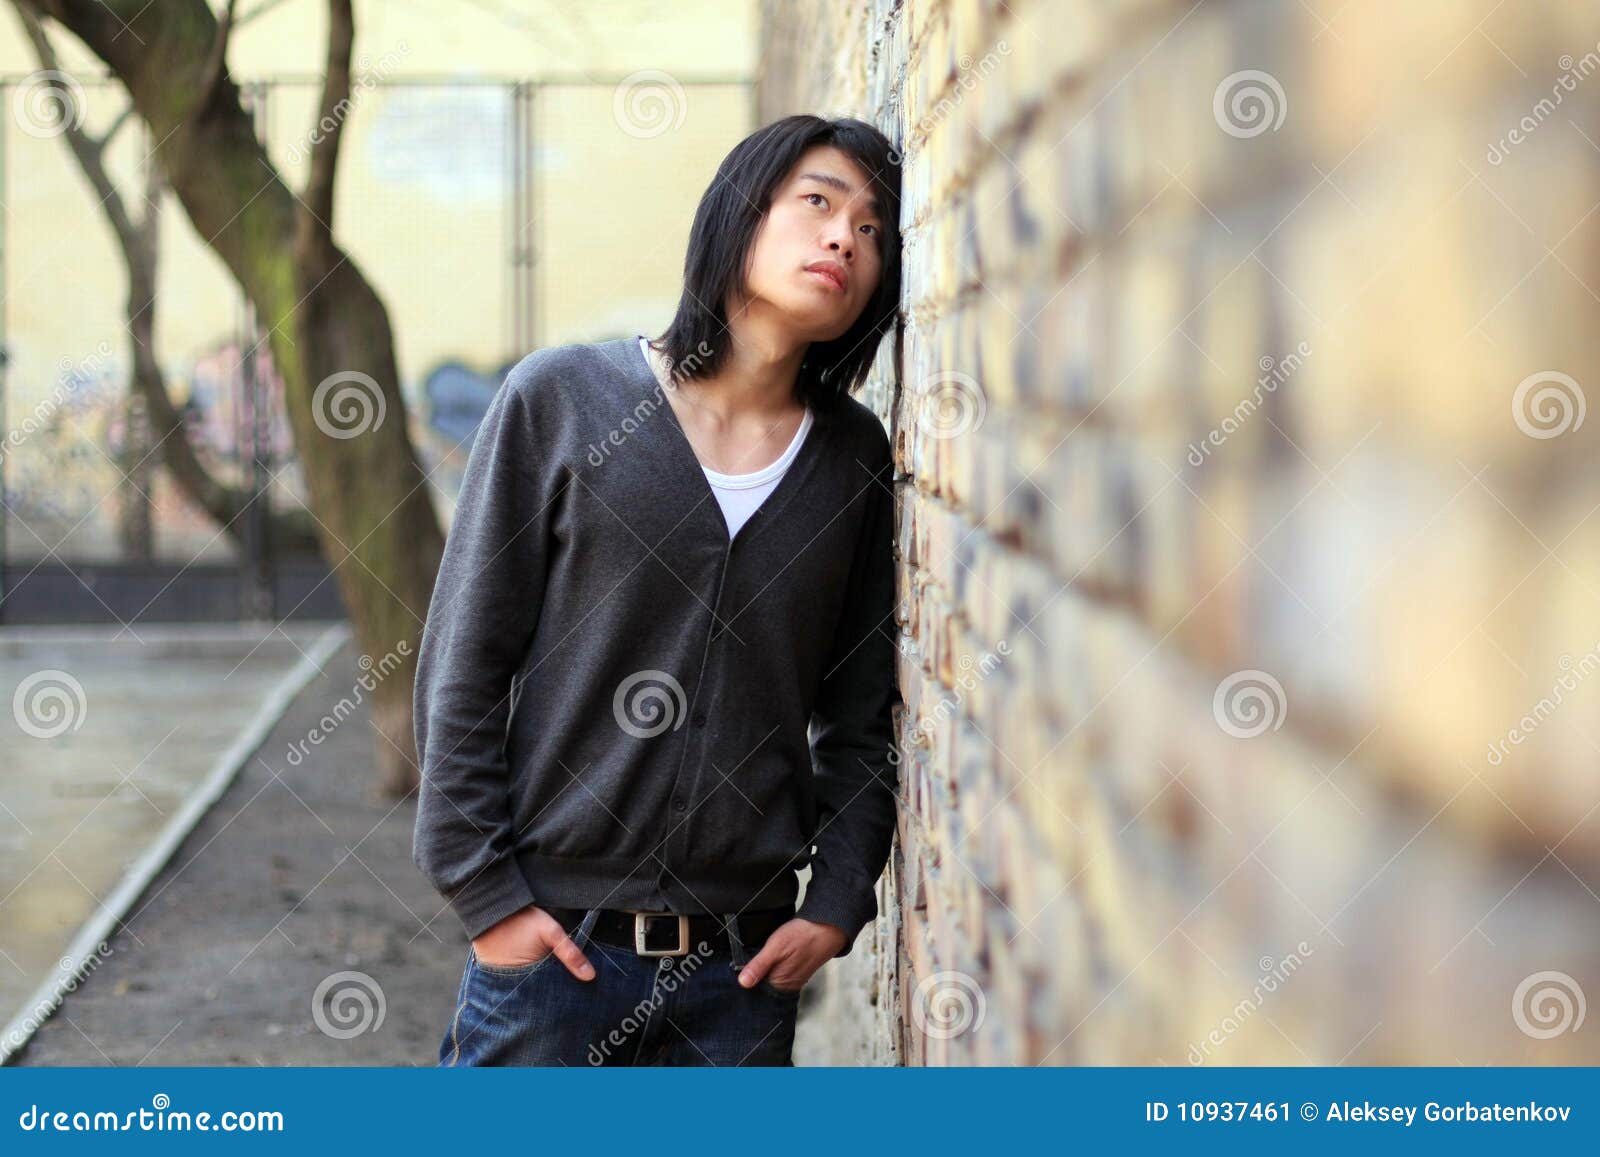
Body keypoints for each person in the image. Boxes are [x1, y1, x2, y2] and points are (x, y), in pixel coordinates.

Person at [413, 114, 903, 1066]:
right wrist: (488, 899)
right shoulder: (559, 401)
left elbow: (859, 715)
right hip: (553, 957)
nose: (847, 236)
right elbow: (462, 665)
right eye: (819, 203)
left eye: (876, 229)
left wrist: (838, 903)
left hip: (739, 980)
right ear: (737, 214)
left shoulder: (851, 462)